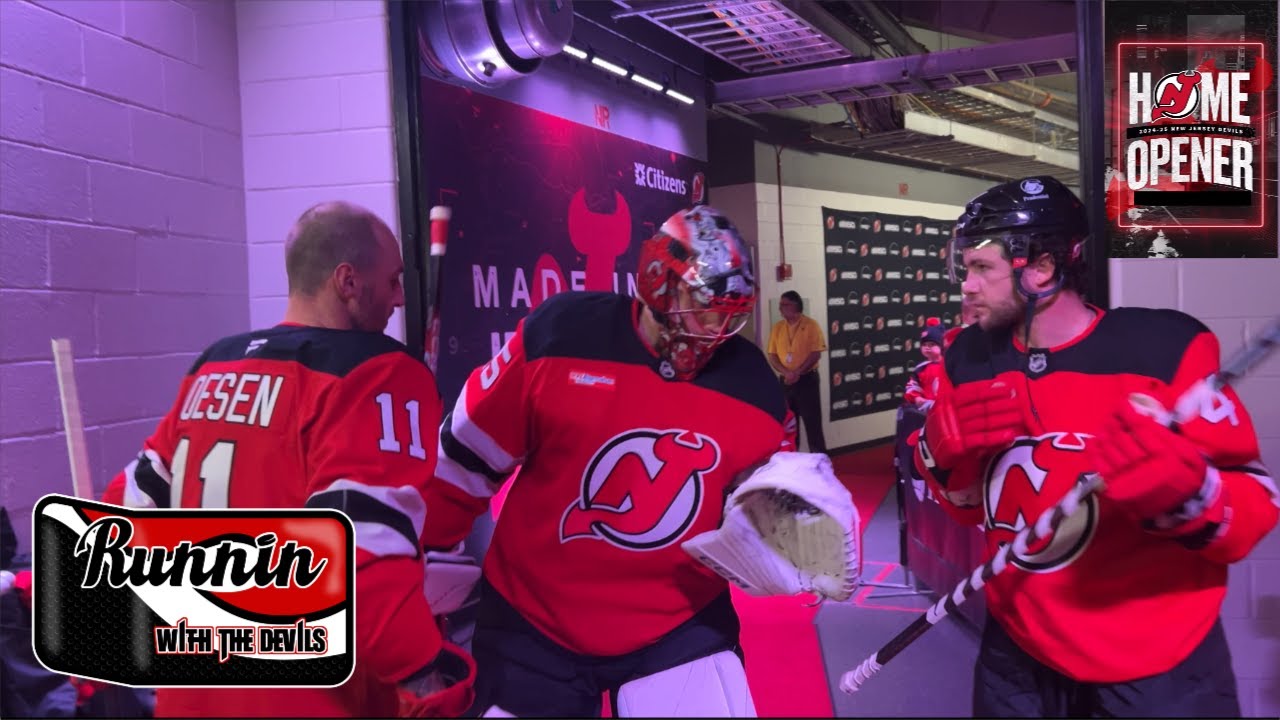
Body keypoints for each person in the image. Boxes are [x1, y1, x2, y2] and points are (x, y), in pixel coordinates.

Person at [914, 176, 1278, 717]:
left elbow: (1256, 506)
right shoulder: (968, 358)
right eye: (964, 267)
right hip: (1017, 651)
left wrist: (1191, 493)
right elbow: (970, 511)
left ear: (1040, 268)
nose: (966, 286)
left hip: (1156, 664)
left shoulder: (1163, 350)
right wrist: (941, 459)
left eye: (981, 268)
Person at [419, 206, 796, 717]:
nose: (715, 327)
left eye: (730, 313)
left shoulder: (754, 387)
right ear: (658, 281)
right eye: (704, 305)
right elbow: (465, 459)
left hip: (678, 626)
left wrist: (794, 536)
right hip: (535, 620)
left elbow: (765, 508)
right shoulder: (562, 335)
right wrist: (417, 555)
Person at [105, 202, 474, 718]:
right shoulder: (378, 373)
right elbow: (365, 565)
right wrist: (428, 679)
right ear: (347, 281)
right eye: (391, 281)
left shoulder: (214, 364)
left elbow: (128, 507)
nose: (397, 297)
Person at [766, 290, 828, 454]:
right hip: (786, 381)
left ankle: (820, 461)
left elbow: (816, 353)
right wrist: (786, 372)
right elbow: (772, 355)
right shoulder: (778, 328)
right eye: (780, 305)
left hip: (807, 380)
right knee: (789, 424)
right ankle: (792, 460)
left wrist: (798, 372)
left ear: (795, 305)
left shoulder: (810, 325)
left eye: (784, 305)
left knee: (812, 423)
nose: (780, 308)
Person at [903, 318, 944, 413]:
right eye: (924, 344)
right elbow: (912, 385)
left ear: (941, 346)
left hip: (947, 409)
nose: (927, 347)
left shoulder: (950, 365)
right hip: (928, 411)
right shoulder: (921, 368)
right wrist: (917, 398)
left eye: (932, 344)